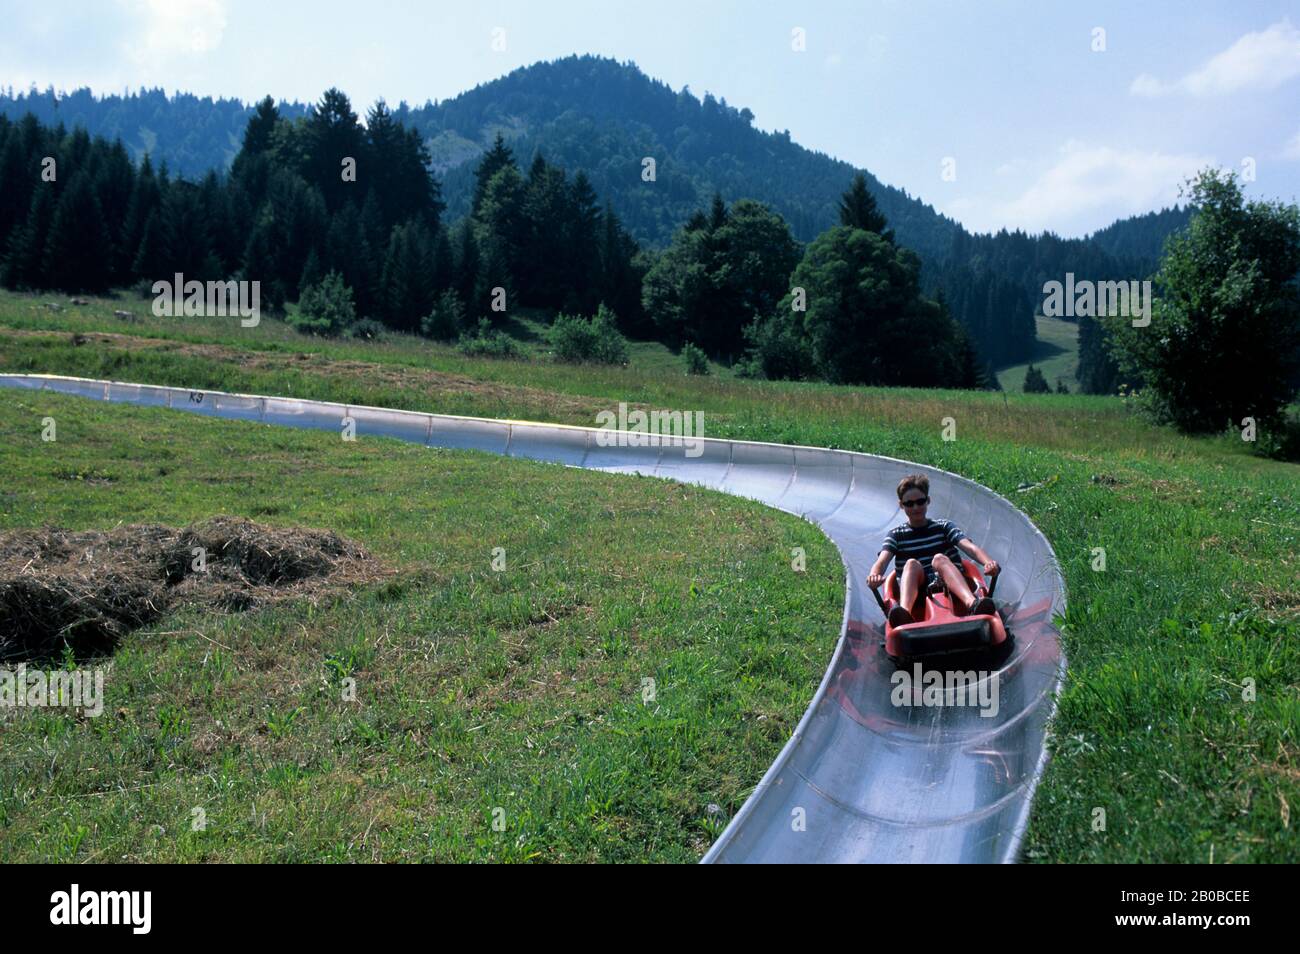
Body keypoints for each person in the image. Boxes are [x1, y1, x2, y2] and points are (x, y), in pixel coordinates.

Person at [866, 474, 1000, 627]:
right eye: (909, 504)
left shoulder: (943, 526)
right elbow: (882, 561)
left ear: (928, 501)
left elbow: (969, 547)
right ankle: (904, 612)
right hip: (916, 590)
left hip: (951, 586)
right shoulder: (896, 535)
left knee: (939, 559)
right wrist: (874, 576)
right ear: (901, 505)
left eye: (920, 502)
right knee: (911, 564)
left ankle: (972, 604)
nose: (915, 507)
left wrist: (989, 563)